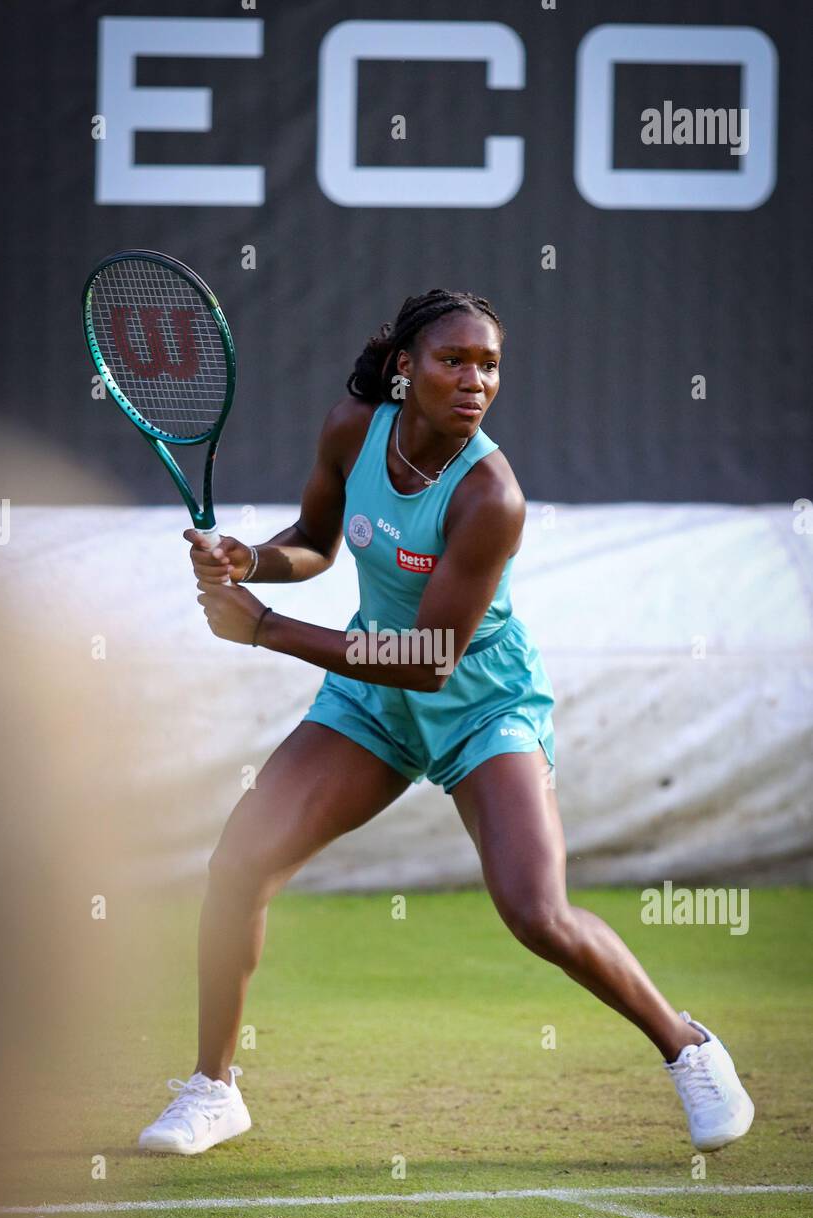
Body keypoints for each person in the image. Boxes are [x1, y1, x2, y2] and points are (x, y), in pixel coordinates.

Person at [138, 289, 754, 1158]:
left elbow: (430, 657)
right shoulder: (353, 427)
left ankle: (686, 1046)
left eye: (489, 365)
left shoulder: (491, 495)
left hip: (481, 704)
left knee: (536, 912)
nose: (475, 380)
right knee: (238, 865)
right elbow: (316, 540)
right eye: (453, 360)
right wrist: (255, 561)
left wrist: (264, 627)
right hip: (371, 699)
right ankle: (213, 1090)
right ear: (404, 369)